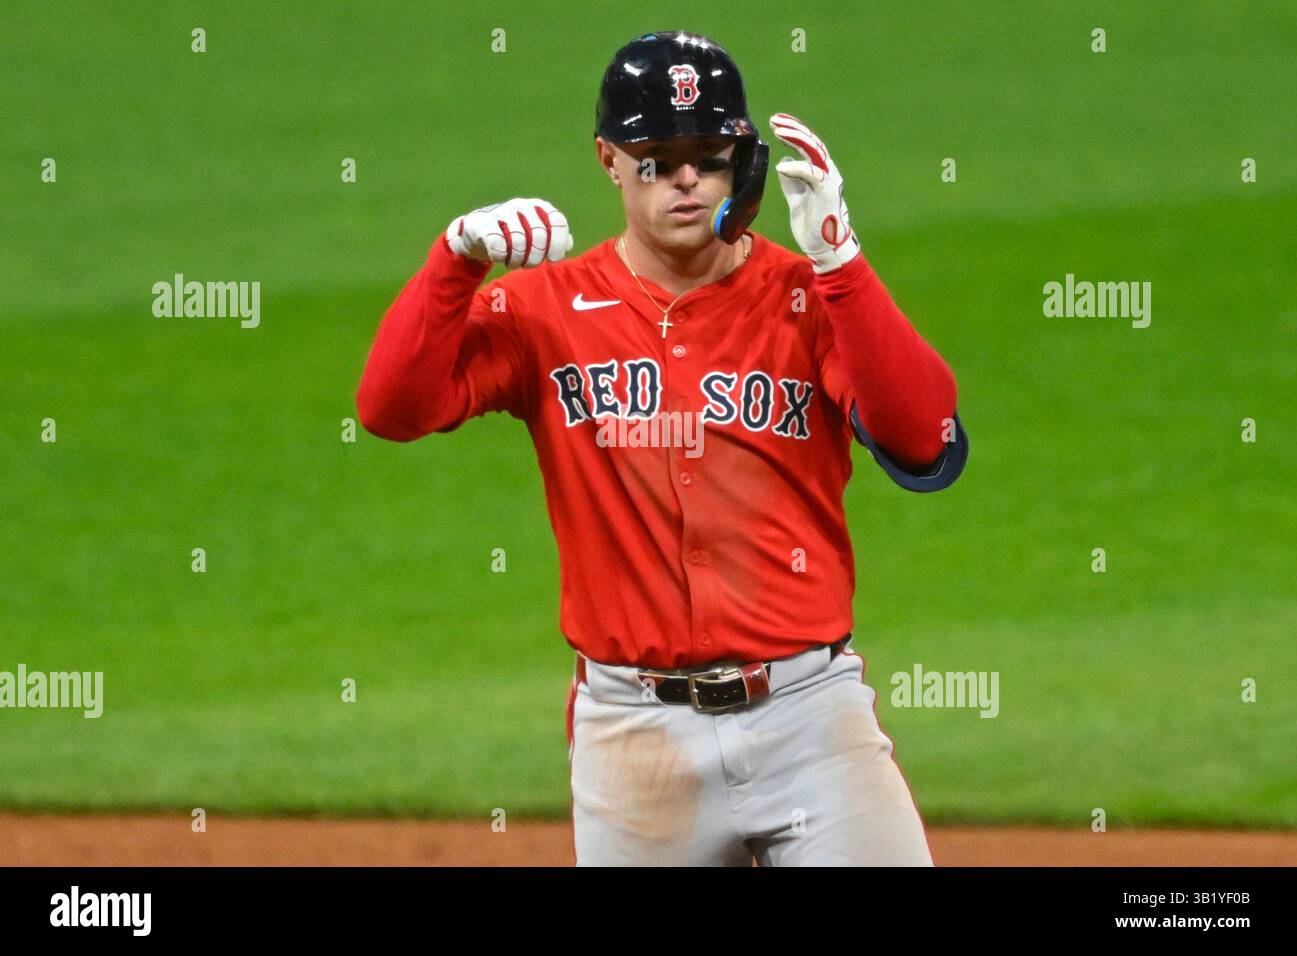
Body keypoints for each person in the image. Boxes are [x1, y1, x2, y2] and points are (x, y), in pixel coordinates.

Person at [356, 30, 968, 866]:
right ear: (609, 158)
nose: (686, 177)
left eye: (709, 154)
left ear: (743, 160)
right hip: (633, 736)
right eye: (657, 155)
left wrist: (841, 259)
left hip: (811, 716)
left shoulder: (807, 295)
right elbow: (392, 407)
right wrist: (454, 260)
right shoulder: (546, 309)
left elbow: (925, 436)